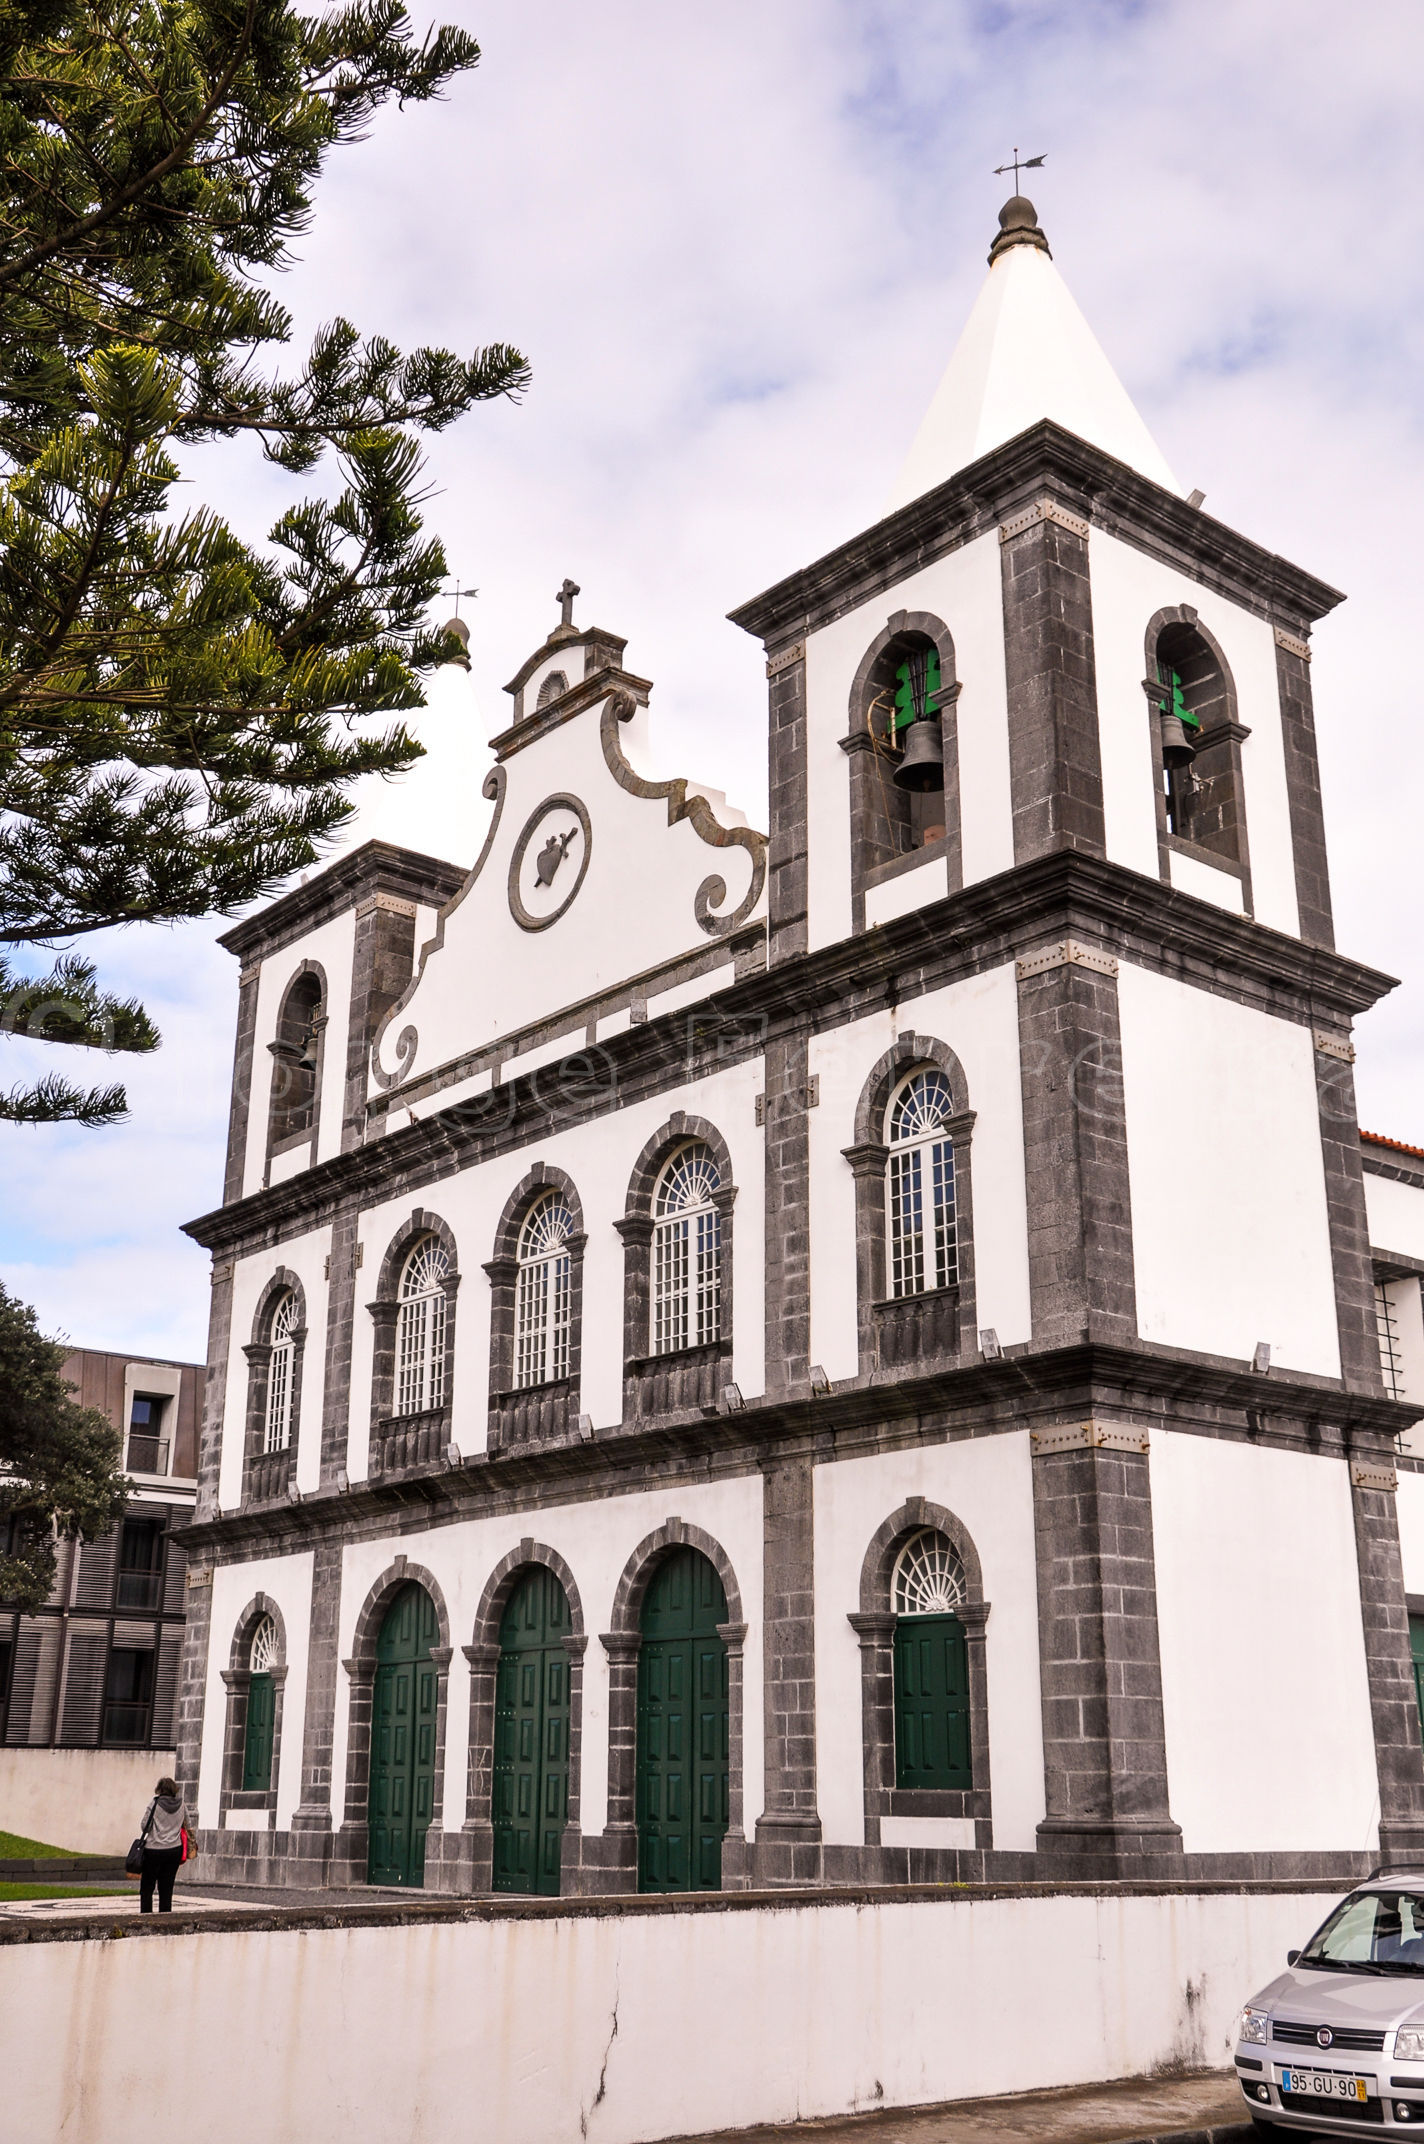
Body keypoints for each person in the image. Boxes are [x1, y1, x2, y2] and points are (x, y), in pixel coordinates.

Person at [137, 1776, 186, 1914]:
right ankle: (165, 1916)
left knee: (147, 1886)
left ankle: (146, 1915)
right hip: (174, 1849)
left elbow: (144, 1826)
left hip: (154, 1849)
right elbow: (187, 1823)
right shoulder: (182, 1804)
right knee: (167, 1886)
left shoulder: (155, 1803)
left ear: (159, 1789)